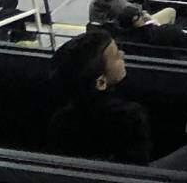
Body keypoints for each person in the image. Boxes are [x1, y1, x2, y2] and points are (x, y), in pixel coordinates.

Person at [46, 30, 154, 165]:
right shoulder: (129, 116)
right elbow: (139, 167)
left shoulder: (60, 119)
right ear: (101, 82)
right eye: (116, 56)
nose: (122, 54)